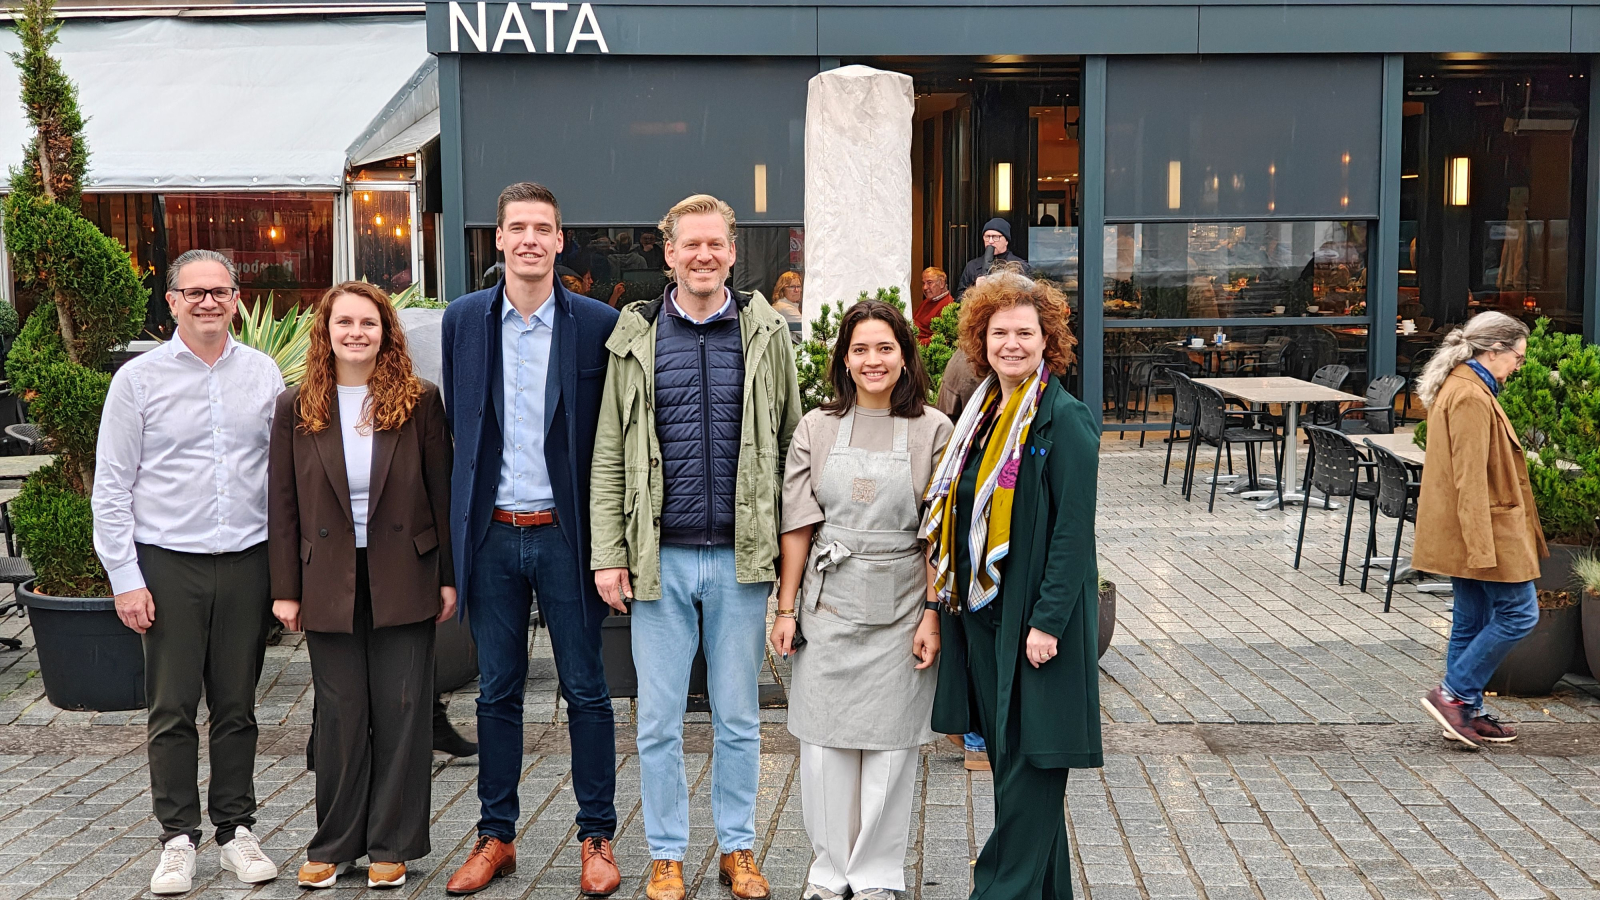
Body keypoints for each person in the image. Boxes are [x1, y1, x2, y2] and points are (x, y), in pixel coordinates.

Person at [591, 194, 801, 900]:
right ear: (669, 253)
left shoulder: (766, 333)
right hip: (662, 559)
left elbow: (792, 447)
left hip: (742, 560)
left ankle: (738, 849)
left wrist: (790, 564)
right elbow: (610, 455)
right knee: (657, 720)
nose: (704, 255)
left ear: (733, 253)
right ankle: (667, 854)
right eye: (691, 245)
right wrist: (607, 552)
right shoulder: (637, 335)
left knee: (739, 718)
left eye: (716, 244)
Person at [440, 183, 624, 896]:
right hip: (492, 536)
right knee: (496, 693)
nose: (528, 239)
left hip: (566, 536)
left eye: (541, 228)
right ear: (497, 239)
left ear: (559, 240)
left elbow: (610, 437)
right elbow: (462, 428)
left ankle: (596, 839)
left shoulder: (598, 324)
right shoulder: (462, 322)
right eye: (516, 227)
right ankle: (496, 837)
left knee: (588, 693)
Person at [94, 250, 285, 895]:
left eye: (220, 291)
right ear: (171, 300)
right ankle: (177, 836)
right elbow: (112, 487)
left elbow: (282, 478)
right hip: (168, 561)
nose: (208, 302)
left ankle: (235, 830)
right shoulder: (139, 381)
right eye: (194, 292)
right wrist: (125, 576)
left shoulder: (263, 374)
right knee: (171, 706)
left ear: (237, 299)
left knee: (238, 704)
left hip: (246, 560)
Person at [920, 271, 1102, 900]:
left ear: (1047, 340)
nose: (1013, 344)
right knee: (1013, 769)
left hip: (1032, 624)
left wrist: (1048, 622)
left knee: (1031, 771)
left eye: (1026, 333)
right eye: (1000, 333)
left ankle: (996, 891)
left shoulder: (1063, 419)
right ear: (982, 340)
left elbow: (1074, 536)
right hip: (983, 618)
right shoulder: (983, 414)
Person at [268, 282, 455, 890]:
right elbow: (283, 504)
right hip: (328, 578)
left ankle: (392, 845)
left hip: (405, 571)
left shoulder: (420, 400)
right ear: (326, 331)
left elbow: (442, 491)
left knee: (403, 710)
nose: (356, 333)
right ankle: (335, 842)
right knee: (341, 715)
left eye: (368, 323)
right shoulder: (296, 405)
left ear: (386, 332)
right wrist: (285, 589)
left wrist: (448, 578)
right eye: (344, 322)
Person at [770, 300, 952, 900]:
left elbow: (938, 534)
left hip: (904, 605)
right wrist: (786, 607)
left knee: (892, 748)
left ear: (905, 356)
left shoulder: (934, 430)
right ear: (843, 359)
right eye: (860, 350)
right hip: (829, 602)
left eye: (885, 348)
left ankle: (874, 876)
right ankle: (828, 871)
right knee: (823, 744)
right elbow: (798, 522)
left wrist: (932, 612)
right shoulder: (816, 428)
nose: (872, 361)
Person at [1413, 311, 1545, 748]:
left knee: (1472, 620)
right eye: (1517, 358)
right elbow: (1469, 477)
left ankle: (1464, 709)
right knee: (1520, 613)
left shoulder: (1466, 386)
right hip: (1485, 526)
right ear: (1494, 351)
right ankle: (1453, 695)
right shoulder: (1469, 395)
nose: (1518, 367)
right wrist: (1479, 545)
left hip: (1474, 526)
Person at [956, 218, 1031, 295]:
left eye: (996, 237)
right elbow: (959, 299)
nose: (990, 241)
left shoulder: (1021, 266)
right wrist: (975, 289)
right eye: (987, 237)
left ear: (1006, 241)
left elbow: (1029, 295)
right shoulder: (972, 266)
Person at [915, 267, 954, 344]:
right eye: (923, 283)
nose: (925, 287)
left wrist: (916, 343)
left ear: (941, 283)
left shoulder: (948, 305)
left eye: (929, 283)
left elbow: (942, 338)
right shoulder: (926, 302)